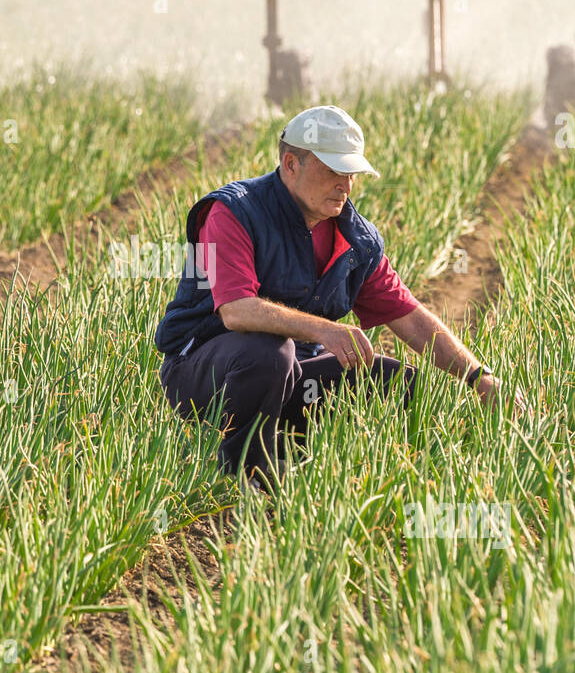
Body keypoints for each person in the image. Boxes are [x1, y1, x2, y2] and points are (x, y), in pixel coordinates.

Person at [153, 104, 527, 491]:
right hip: (206, 375)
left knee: (393, 380)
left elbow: (408, 315)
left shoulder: (356, 238)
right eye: (332, 170)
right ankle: (244, 471)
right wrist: (325, 331)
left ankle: (336, 465)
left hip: (292, 376)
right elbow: (236, 311)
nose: (345, 185)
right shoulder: (234, 212)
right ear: (290, 163)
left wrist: (480, 378)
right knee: (268, 353)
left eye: (350, 173)